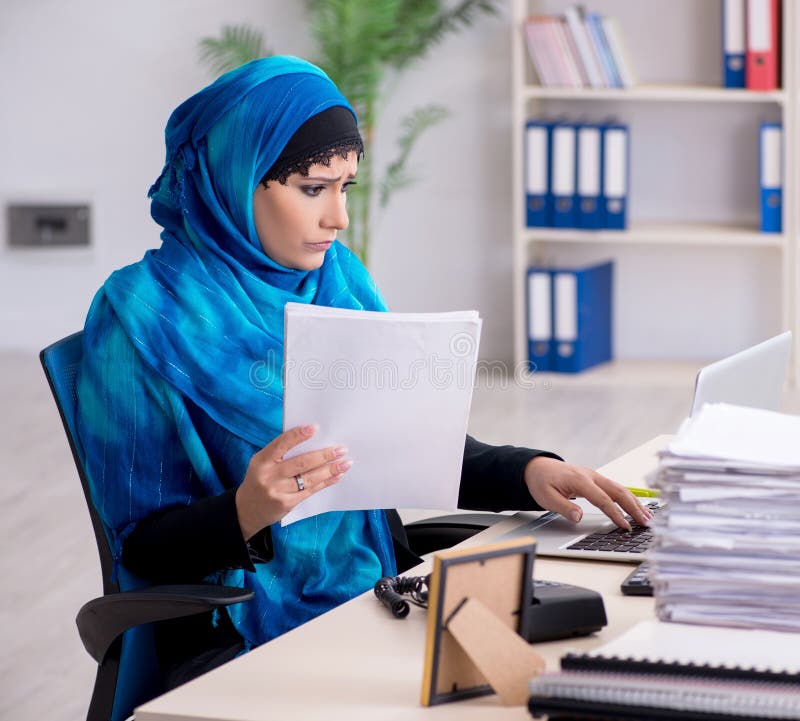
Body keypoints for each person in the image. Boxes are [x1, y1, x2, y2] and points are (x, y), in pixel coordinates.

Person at [75, 56, 650, 689]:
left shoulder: (337, 281)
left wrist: (529, 470)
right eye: (312, 188)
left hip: (377, 591)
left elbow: (399, 443)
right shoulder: (140, 316)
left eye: (345, 187)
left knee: (568, 678)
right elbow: (141, 546)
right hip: (240, 633)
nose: (338, 218)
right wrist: (246, 510)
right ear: (236, 178)